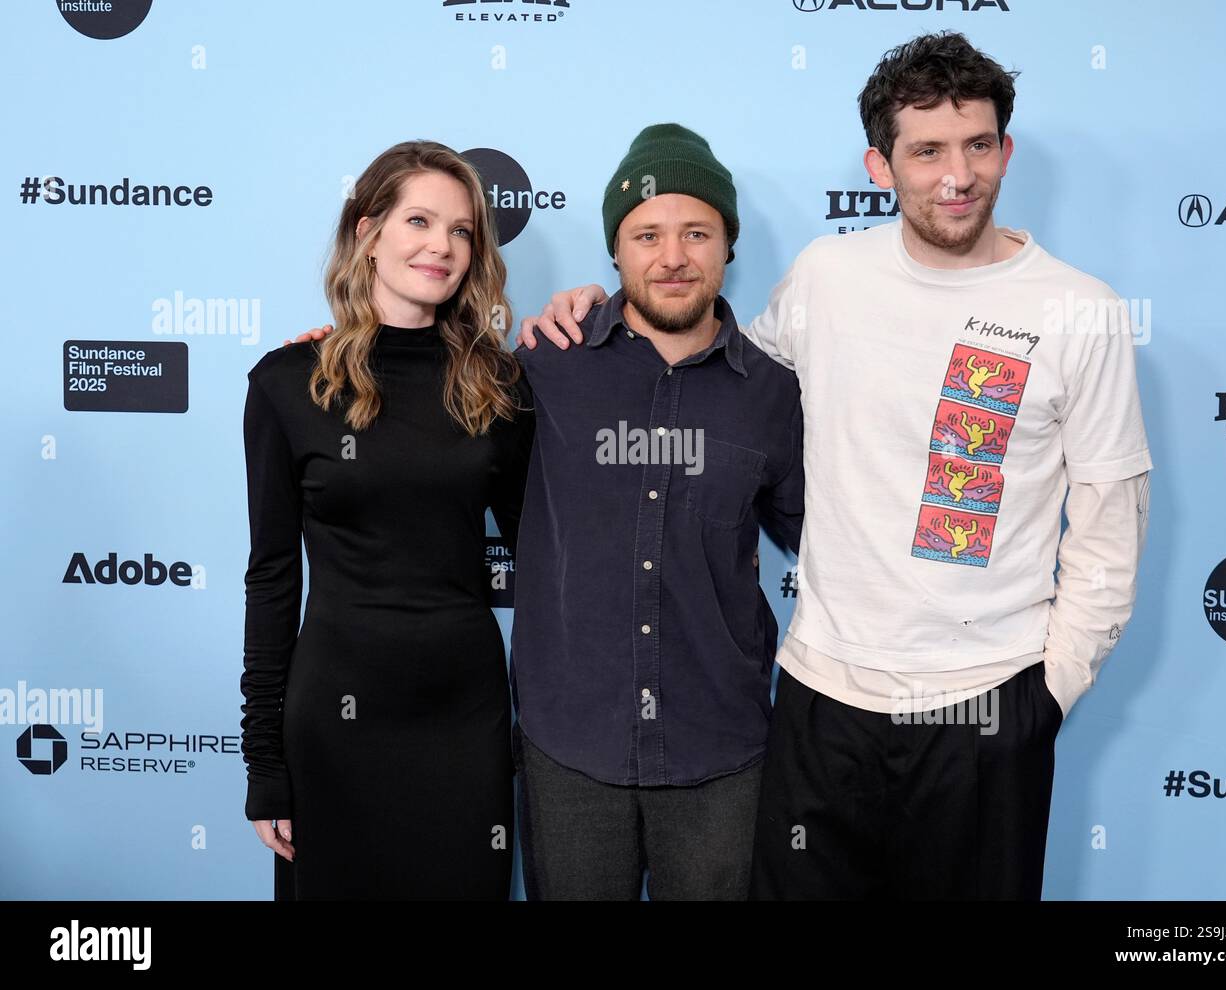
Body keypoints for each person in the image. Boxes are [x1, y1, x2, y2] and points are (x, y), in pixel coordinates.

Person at [521, 33, 1153, 900]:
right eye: (926, 150)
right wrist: (599, 308)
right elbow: (711, 366)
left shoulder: (1082, 311)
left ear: (1006, 150)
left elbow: (1113, 522)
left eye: (977, 145)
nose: (955, 176)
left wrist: (1048, 695)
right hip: (823, 700)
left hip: (987, 698)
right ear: (880, 163)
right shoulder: (828, 277)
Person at [512, 123, 803, 899]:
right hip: (571, 744)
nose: (672, 257)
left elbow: (832, 538)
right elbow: (423, 426)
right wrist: (337, 351)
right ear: (616, 250)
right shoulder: (548, 361)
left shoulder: (775, 395)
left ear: (728, 246)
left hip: (721, 749)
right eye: (647, 234)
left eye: (696, 232)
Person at [241, 140, 533, 899]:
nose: (442, 244)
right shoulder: (286, 384)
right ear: (368, 232)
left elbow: (548, 546)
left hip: (462, 722)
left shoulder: (500, 386)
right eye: (419, 221)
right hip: (333, 725)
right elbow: (272, 581)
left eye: (462, 230)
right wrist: (265, 765)